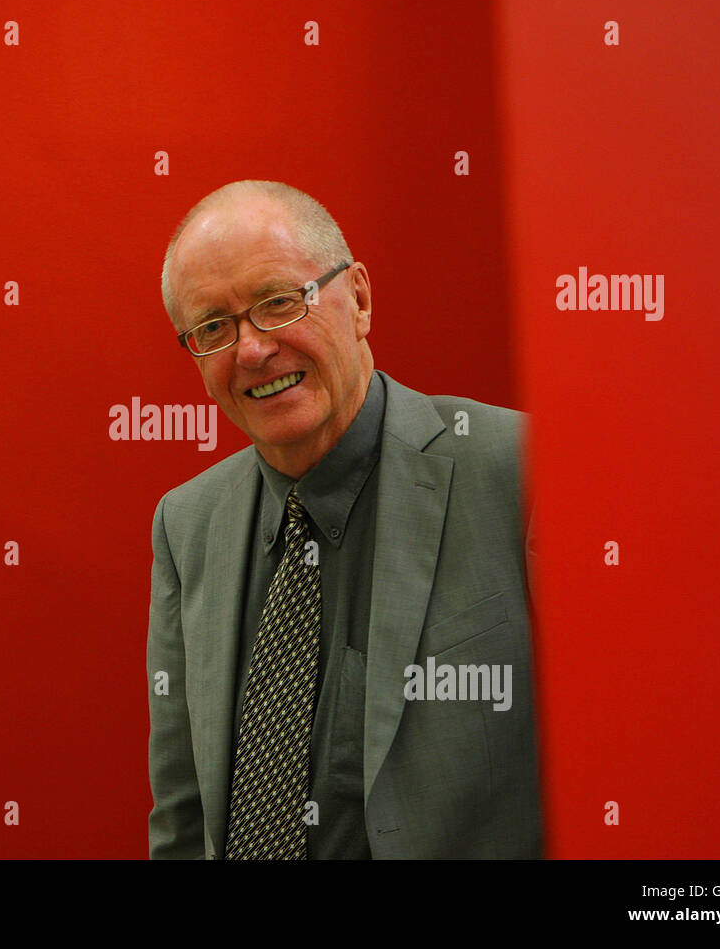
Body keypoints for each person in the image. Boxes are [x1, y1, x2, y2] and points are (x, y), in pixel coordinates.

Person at [147, 181, 540, 859]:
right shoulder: (188, 523)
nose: (250, 350)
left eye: (277, 302)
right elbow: (183, 819)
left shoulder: (522, 472)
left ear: (357, 298)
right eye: (212, 327)